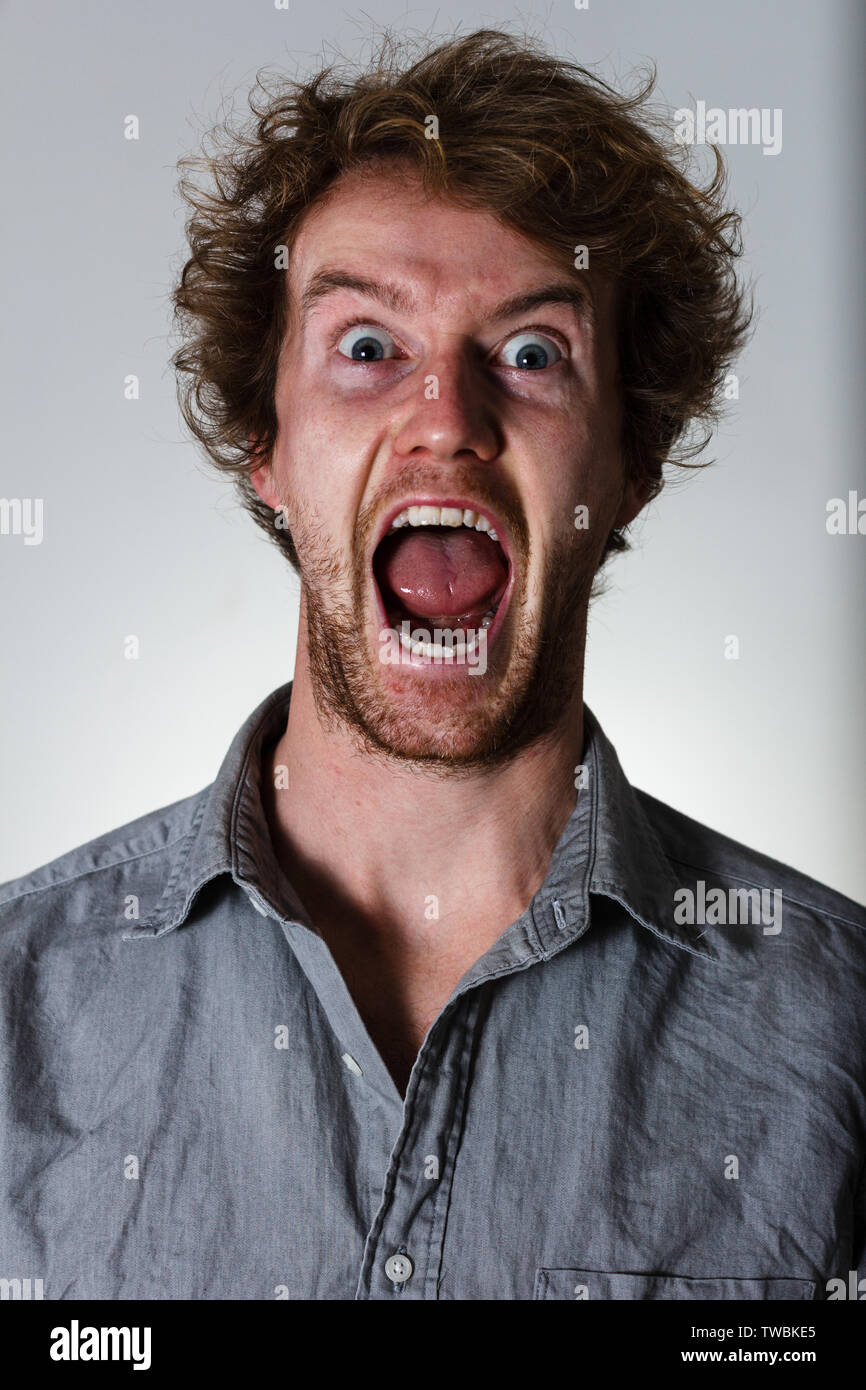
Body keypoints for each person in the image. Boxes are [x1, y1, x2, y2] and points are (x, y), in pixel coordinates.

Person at [1, 29, 863, 1302]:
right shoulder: (18, 1015)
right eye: (365, 347)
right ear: (266, 443)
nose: (445, 421)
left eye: (529, 353)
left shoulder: (834, 1037)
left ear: (627, 460)